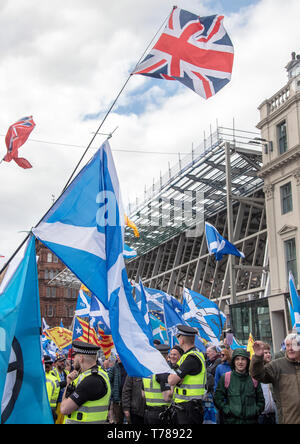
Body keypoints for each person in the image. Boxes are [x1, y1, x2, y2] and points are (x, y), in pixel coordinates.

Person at [250, 333, 300, 424]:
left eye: (294, 345)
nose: (290, 348)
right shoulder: (277, 365)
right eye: (288, 345)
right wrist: (257, 357)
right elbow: (257, 374)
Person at [60, 341, 111, 424]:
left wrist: (68, 384)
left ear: (81, 358)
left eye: (75, 357)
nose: (73, 361)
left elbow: (64, 409)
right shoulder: (98, 374)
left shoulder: (90, 380)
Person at [214, 348, 265, 424]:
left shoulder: (253, 378)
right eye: (237, 359)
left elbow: (261, 401)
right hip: (231, 421)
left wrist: (255, 411)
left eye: (243, 359)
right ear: (233, 362)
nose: (240, 362)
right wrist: (227, 410)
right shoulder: (226, 377)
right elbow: (217, 399)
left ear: (247, 361)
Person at [168, 325, 206, 425]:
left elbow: (171, 381)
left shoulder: (191, 358)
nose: (178, 340)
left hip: (189, 408)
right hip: (187, 407)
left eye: (178, 337)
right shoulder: (189, 356)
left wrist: (175, 378)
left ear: (182, 340)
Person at [143, 344, 172, 425]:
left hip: (148, 412)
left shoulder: (147, 371)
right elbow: (166, 397)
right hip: (161, 413)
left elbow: (143, 394)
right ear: (166, 357)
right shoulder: (163, 371)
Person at [257, 343, 277, 424]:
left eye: (269, 352)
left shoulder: (274, 368)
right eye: (265, 353)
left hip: (275, 413)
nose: (268, 354)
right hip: (262, 415)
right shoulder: (257, 371)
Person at [108, 355, 128, 424]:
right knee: (118, 420)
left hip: (127, 399)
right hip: (118, 399)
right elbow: (108, 380)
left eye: (120, 355)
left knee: (129, 419)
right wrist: (113, 392)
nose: (119, 357)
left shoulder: (129, 368)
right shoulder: (114, 368)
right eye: (118, 356)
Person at [52, 354, 69, 424]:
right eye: (60, 361)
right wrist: (66, 382)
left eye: (63, 361)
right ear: (55, 363)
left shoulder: (66, 372)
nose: (62, 363)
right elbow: (56, 385)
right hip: (56, 402)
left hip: (65, 402)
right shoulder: (53, 373)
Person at [44, 355, 60, 422]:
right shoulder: (53, 377)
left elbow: (46, 399)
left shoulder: (47, 379)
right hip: (53, 408)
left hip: (47, 410)